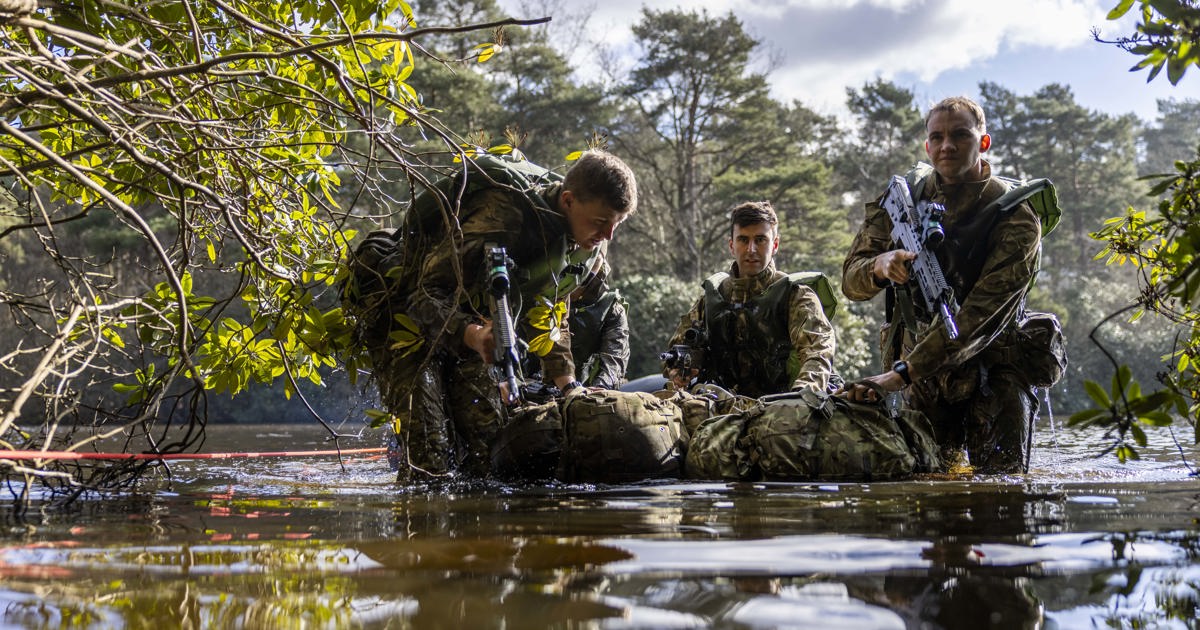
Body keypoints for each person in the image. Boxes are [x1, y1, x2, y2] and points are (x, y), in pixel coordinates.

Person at [353, 149, 638, 481]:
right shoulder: (505, 215)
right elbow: (424, 294)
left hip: (471, 321)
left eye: (617, 224)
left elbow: (550, 311)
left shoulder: (584, 240)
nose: (608, 235)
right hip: (402, 315)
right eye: (601, 222)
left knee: (488, 453)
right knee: (429, 457)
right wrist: (473, 335)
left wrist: (569, 386)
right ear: (568, 200)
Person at [839, 96, 1043, 474]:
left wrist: (900, 374)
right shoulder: (903, 200)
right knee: (923, 487)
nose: (947, 146)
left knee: (1003, 492)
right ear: (927, 146)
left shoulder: (1016, 215)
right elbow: (851, 282)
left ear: (984, 142)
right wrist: (880, 267)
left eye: (960, 135)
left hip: (994, 369)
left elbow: (981, 315)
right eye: (938, 137)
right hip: (922, 377)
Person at [663, 200, 837, 398]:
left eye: (760, 240)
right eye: (743, 240)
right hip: (721, 403)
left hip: (783, 405)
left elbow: (818, 351)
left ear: (775, 245)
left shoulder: (795, 296)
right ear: (732, 245)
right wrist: (678, 371)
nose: (751, 249)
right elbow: (674, 354)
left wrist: (800, 396)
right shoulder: (712, 300)